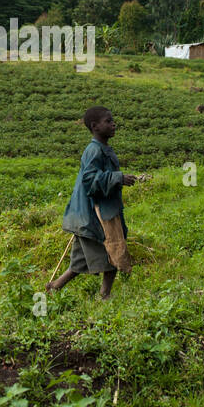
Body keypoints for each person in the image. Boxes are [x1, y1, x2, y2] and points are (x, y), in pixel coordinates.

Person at [48, 106, 137, 300]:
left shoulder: (102, 148)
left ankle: (55, 286)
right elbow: (90, 180)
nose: (113, 124)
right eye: (108, 121)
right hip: (93, 214)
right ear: (95, 126)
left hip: (92, 212)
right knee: (111, 251)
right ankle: (105, 295)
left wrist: (117, 178)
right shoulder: (93, 151)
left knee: (79, 261)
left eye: (112, 120)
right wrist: (117, 178)